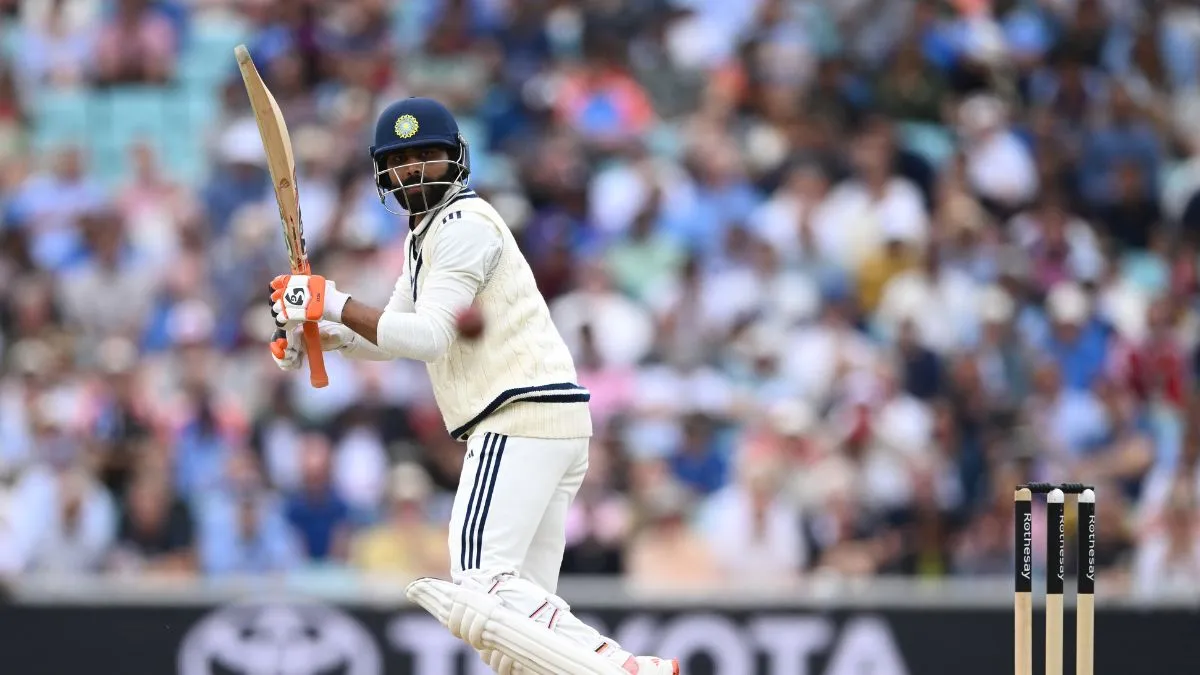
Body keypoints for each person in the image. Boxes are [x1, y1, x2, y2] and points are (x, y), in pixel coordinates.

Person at [268, 97, 678, 674]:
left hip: (515, 418)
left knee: (480, 586)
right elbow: (397, 333)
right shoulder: (428, 236)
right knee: (513, 638)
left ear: (456, 159)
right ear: (383, 172)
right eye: (400, 160)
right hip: (545, 422)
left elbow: (430, 338)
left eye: (426, 155)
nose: (413, 170)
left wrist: (329, 299)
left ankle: (625, 667)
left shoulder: (462, 224)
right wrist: (326, 331)